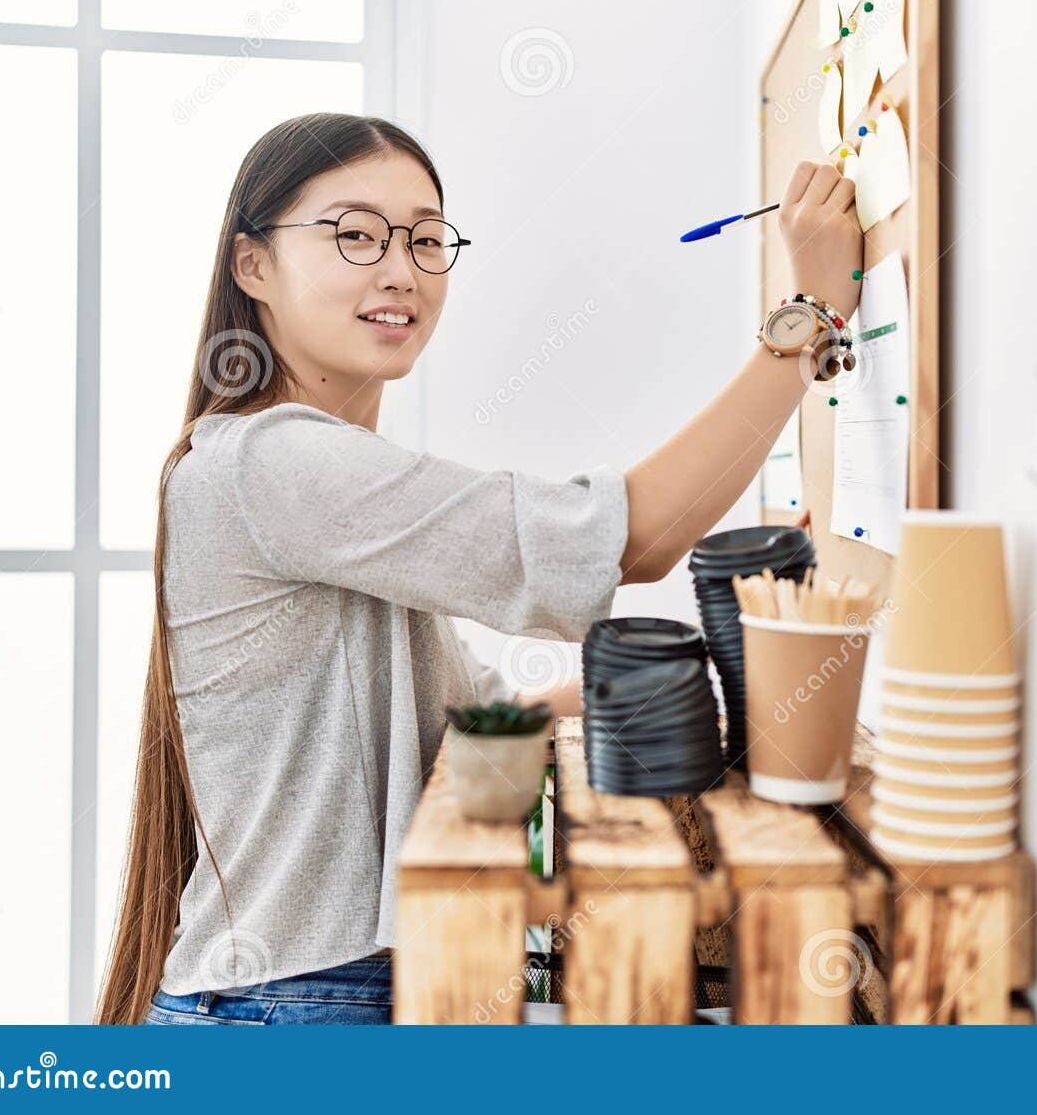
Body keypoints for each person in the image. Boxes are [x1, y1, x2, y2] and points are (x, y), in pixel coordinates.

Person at [95, 112, 862, 1025]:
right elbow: (633, 540)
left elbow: (465, 717)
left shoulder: (302, 478)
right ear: (252, 265)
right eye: (355, 234)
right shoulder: (273, 464)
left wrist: (690, 673)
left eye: (426, 240)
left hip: (290, 997)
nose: (401, 270)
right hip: (299, 1004)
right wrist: (807, 320)